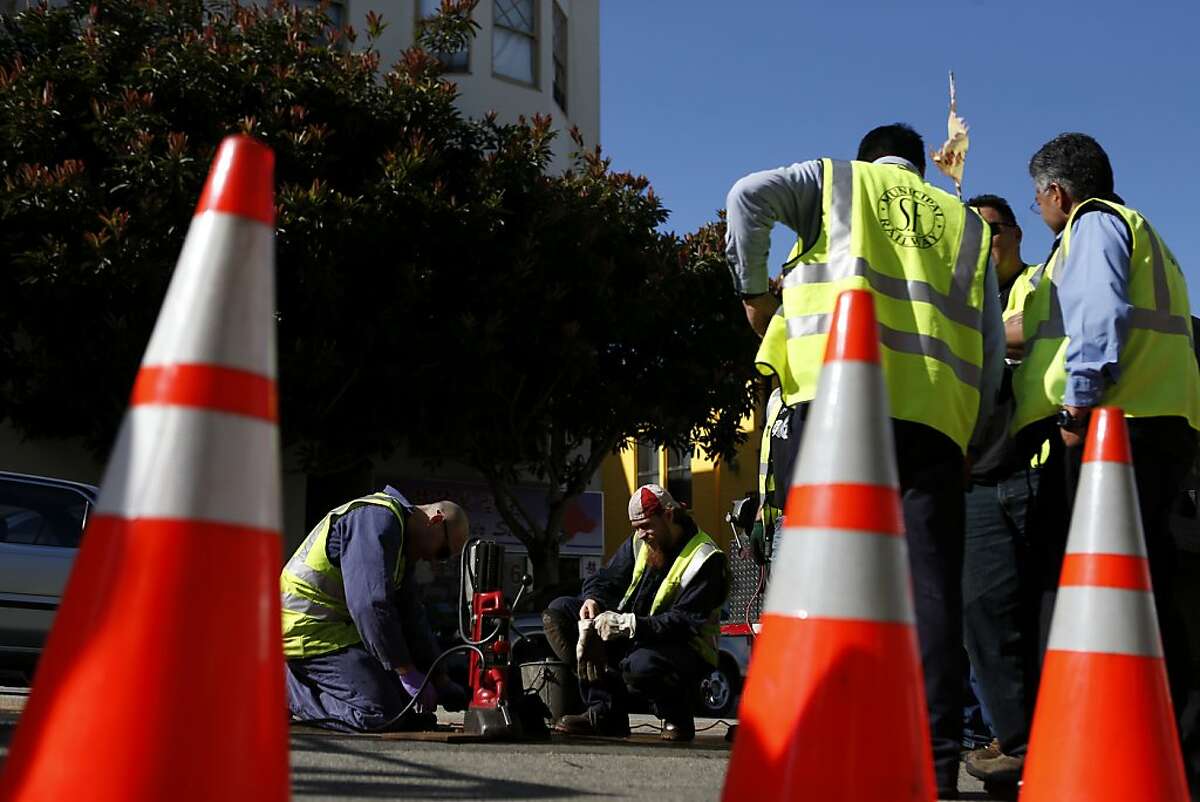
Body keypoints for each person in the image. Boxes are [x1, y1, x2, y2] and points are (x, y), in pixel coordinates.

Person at [724, 123, 1005, 794]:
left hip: (834, 409)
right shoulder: (966, 225)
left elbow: (746, 196)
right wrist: (974, 437)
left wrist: (755, 296)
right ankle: (933, 763)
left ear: (869, 158)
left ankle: (812, 736)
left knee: (818, 577)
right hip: (934, 423)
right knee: (932, 592)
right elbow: (991, 347)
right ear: (918, 169)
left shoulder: (836, 182)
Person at [1014, 132, 1200, 789]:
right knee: (1150, 590)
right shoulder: (1146, 233)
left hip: (1117, 431)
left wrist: (1077, 406)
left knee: (1075, 581)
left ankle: (1086, 736)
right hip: (1165, 422)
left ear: (1056, 193)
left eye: (1037, 199)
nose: (1040, 209)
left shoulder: (1092, 226)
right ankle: (1174, 750)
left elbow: (1099, 315)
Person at [959, 194, 1044, 785]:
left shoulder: (1038, 282)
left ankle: (1029, 738)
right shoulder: (965, 295)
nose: (984, 242)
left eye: (992, 230)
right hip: (982, 474)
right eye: (974, 233)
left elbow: (1032, 331)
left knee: (1036, 611)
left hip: (1036, 468)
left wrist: (977, 334)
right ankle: (1011, 737)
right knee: (984, 614)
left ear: (1015, 234)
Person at [541, 484, 729, 742]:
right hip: (637, 636)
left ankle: (677, 716)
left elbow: (684, 623)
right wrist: (593, 601)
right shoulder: (640, 543)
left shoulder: (706, 558)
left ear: (669, 515)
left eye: (646, 526)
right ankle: (605, 712)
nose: (641, 535)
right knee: (560, 612)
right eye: (636, 528)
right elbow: (605, 579)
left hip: (685, 649)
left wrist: (628, 625)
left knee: (642, 665)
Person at [281, 486, 472, 732]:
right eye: (443, 553)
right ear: (435, 521)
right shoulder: (375, 520)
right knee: (380, 713)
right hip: (305, 631)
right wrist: (405, 671)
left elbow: (410, 615)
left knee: (402, 706)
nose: (434, 560)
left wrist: (439, 678)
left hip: (336, 632)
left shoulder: (402, 546)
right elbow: (370, 605)